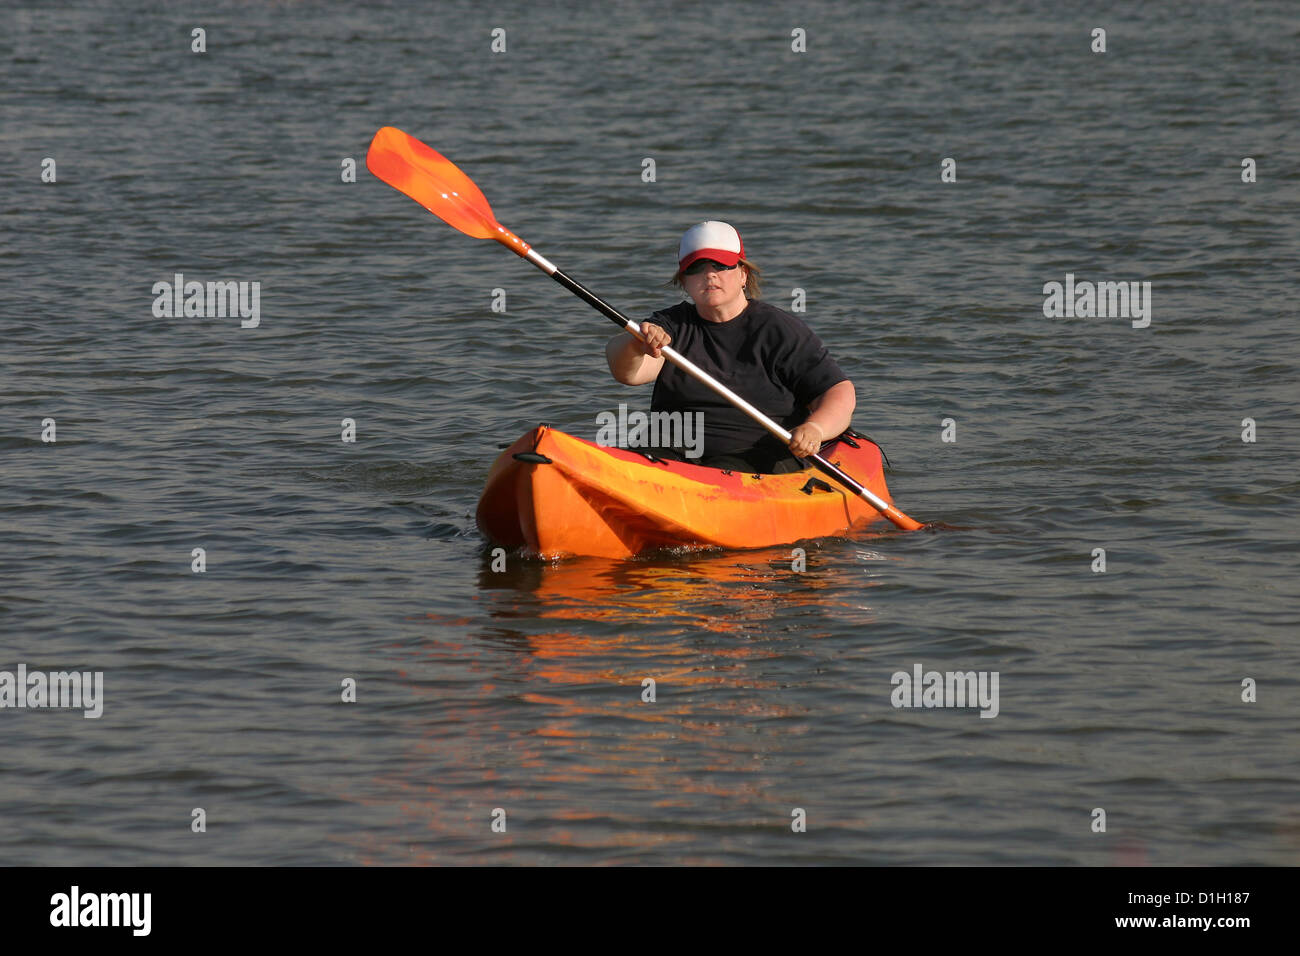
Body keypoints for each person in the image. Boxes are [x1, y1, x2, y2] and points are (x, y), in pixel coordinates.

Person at [605, 221, 856, 473]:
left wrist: (816, 428)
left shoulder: (778, 330)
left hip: (755, 455)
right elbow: (629, 374)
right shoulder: (669, 325)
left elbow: (837, 391)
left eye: (721, 265)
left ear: (743, 274)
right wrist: (635, 343)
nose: (710, 274)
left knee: (722, 468)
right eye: (697, 267)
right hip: (672, 448)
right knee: (642, 456)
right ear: (684, 281)